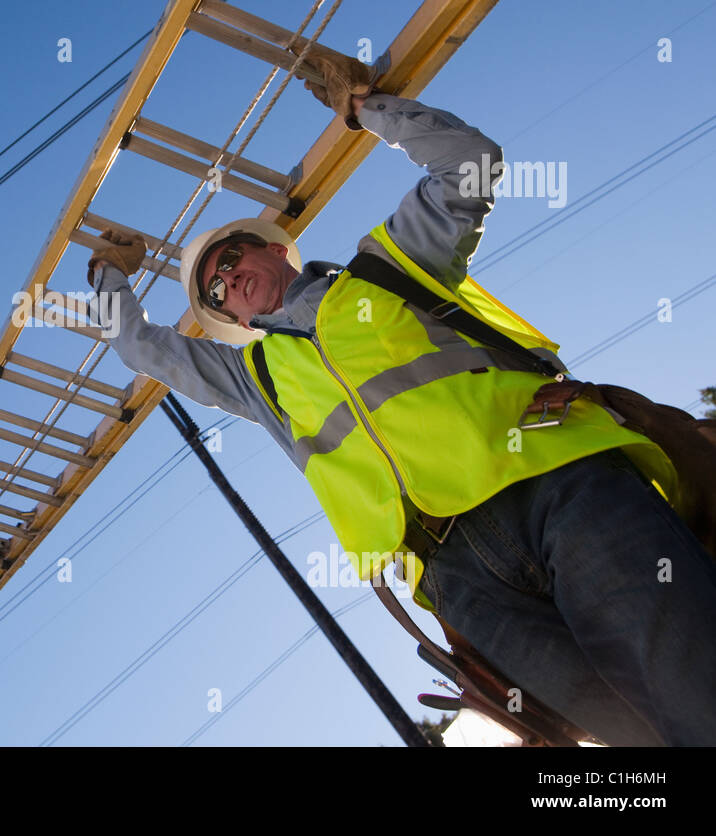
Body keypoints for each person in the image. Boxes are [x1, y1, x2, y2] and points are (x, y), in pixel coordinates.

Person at [86, 46, 716, 746]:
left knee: (694, 694)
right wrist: (109, 277)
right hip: (460, 582)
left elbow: (470, 161)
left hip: (550, 485)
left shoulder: (384, 270)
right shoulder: (255, 379)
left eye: (232, 260)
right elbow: (145, 350)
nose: (228, 282)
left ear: (274, 250)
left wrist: (364, 108)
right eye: (214, 290)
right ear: (227, 318)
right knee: (632, 748)